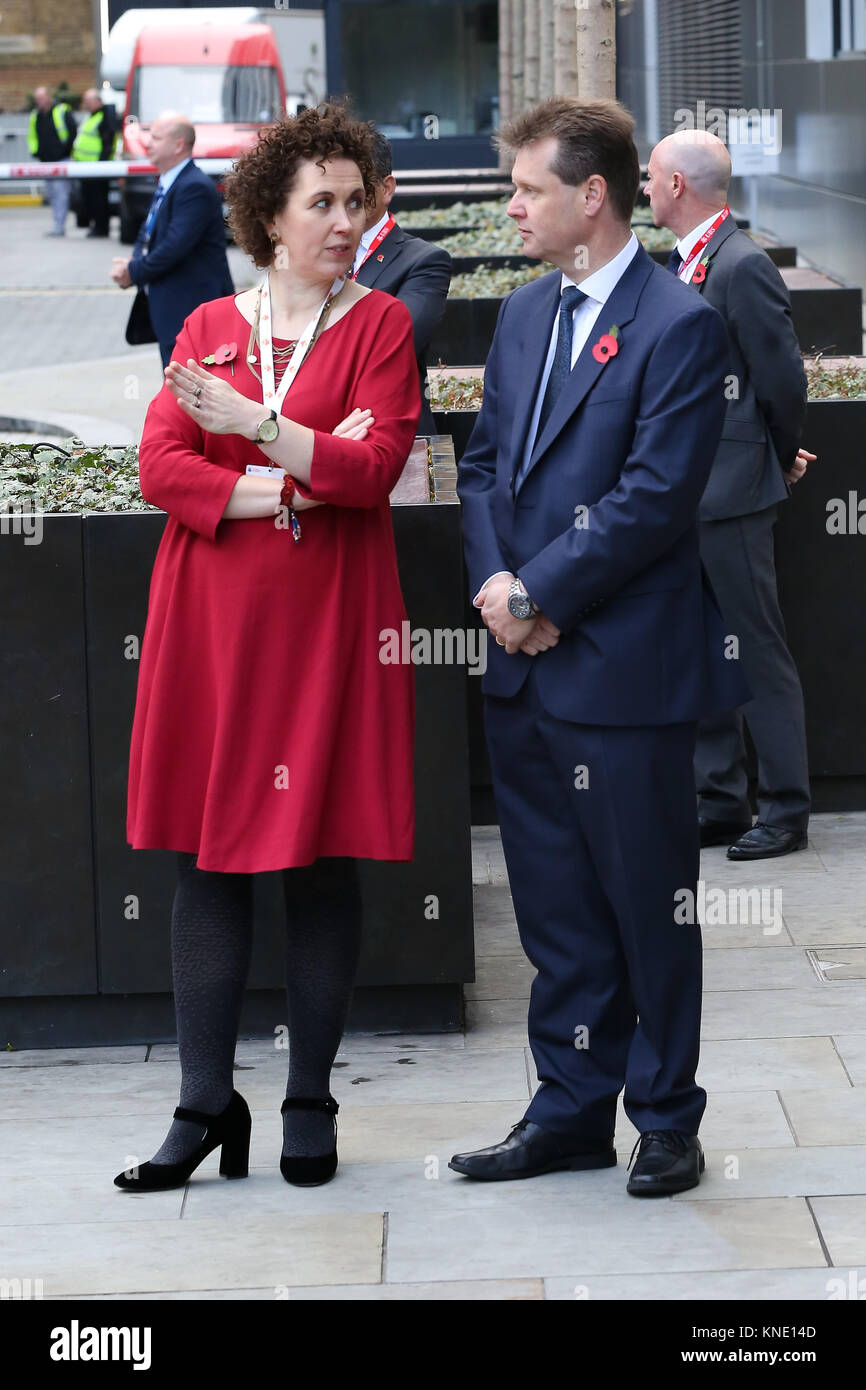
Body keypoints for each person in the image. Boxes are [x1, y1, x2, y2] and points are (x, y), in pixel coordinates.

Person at [115, 103, 421, 1194]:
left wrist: (247, 429)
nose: (346, 220)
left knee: (319, 854)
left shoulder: (378, 323)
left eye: (357, 200)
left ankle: (306, 1096)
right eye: (323, 203)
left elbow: (373, 469)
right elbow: (160, 467)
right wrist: (283, 477)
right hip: (212, 625)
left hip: (328, 624)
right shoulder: (204, 325)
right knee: (206, 859)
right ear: (269, 215)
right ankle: (203, 1104)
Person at [451, 97, 749, 1196]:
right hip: (521, 664)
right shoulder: (526, 314)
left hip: (616, 671)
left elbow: (652, 501)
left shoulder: (678, 325)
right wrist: (497, 587)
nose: (510, 206)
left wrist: (539, 592)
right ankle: (570, 1109)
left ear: (591, 195)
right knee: (557, 913)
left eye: (526, 187)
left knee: (645, 903)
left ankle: (665, 1114)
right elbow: (481, 464)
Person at [646, 129, 813, 861]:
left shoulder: (738, 265)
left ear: (679, 186)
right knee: (705, 649)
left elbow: (783, 379)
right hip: (687, 496)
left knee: (759, 653)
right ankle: (720, 801)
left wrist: (775, 460)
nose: (643, 189)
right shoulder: (688, 263)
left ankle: (785, 810)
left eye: (650, 178)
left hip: (734, 494)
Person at [110, 113, 233, 367]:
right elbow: (149, 233)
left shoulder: (193, 187)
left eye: (156, 137)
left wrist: (133, 271)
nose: (148, 143)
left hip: (191, 311)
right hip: (173, 310)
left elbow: (174, 247)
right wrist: (134, 261)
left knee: (191, 394)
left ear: (178, 145)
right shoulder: (171, 181)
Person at [352, 127, 451, 435]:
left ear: (386, 188)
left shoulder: (423, 260)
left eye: (359, 187)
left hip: (392, 432)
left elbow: (396, 344)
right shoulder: (311, 254)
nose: (347, 200)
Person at [28, 86, 76, 237]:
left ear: (49, 97)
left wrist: (64, 151)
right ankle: (57, 224)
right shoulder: (35, 115)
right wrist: (36, 153)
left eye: (41, 98)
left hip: (61, 160)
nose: (39, 102)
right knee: (53, 195)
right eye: (37, 99)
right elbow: (33, 136)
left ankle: (59, 226)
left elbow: (72, 132)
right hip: (46, 162)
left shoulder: (61, 111)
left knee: (61, 194)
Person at [72, 88, 117, 238]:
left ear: (97, 101)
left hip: (97, 167)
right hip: (87, 166)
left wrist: (102, 163)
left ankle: (101, 228)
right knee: (91, 199)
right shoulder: (91, 116)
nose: (86, 104)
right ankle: (96, 226)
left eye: (88, 101)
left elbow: (108, 143)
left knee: (99, 200)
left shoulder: (103, 117)